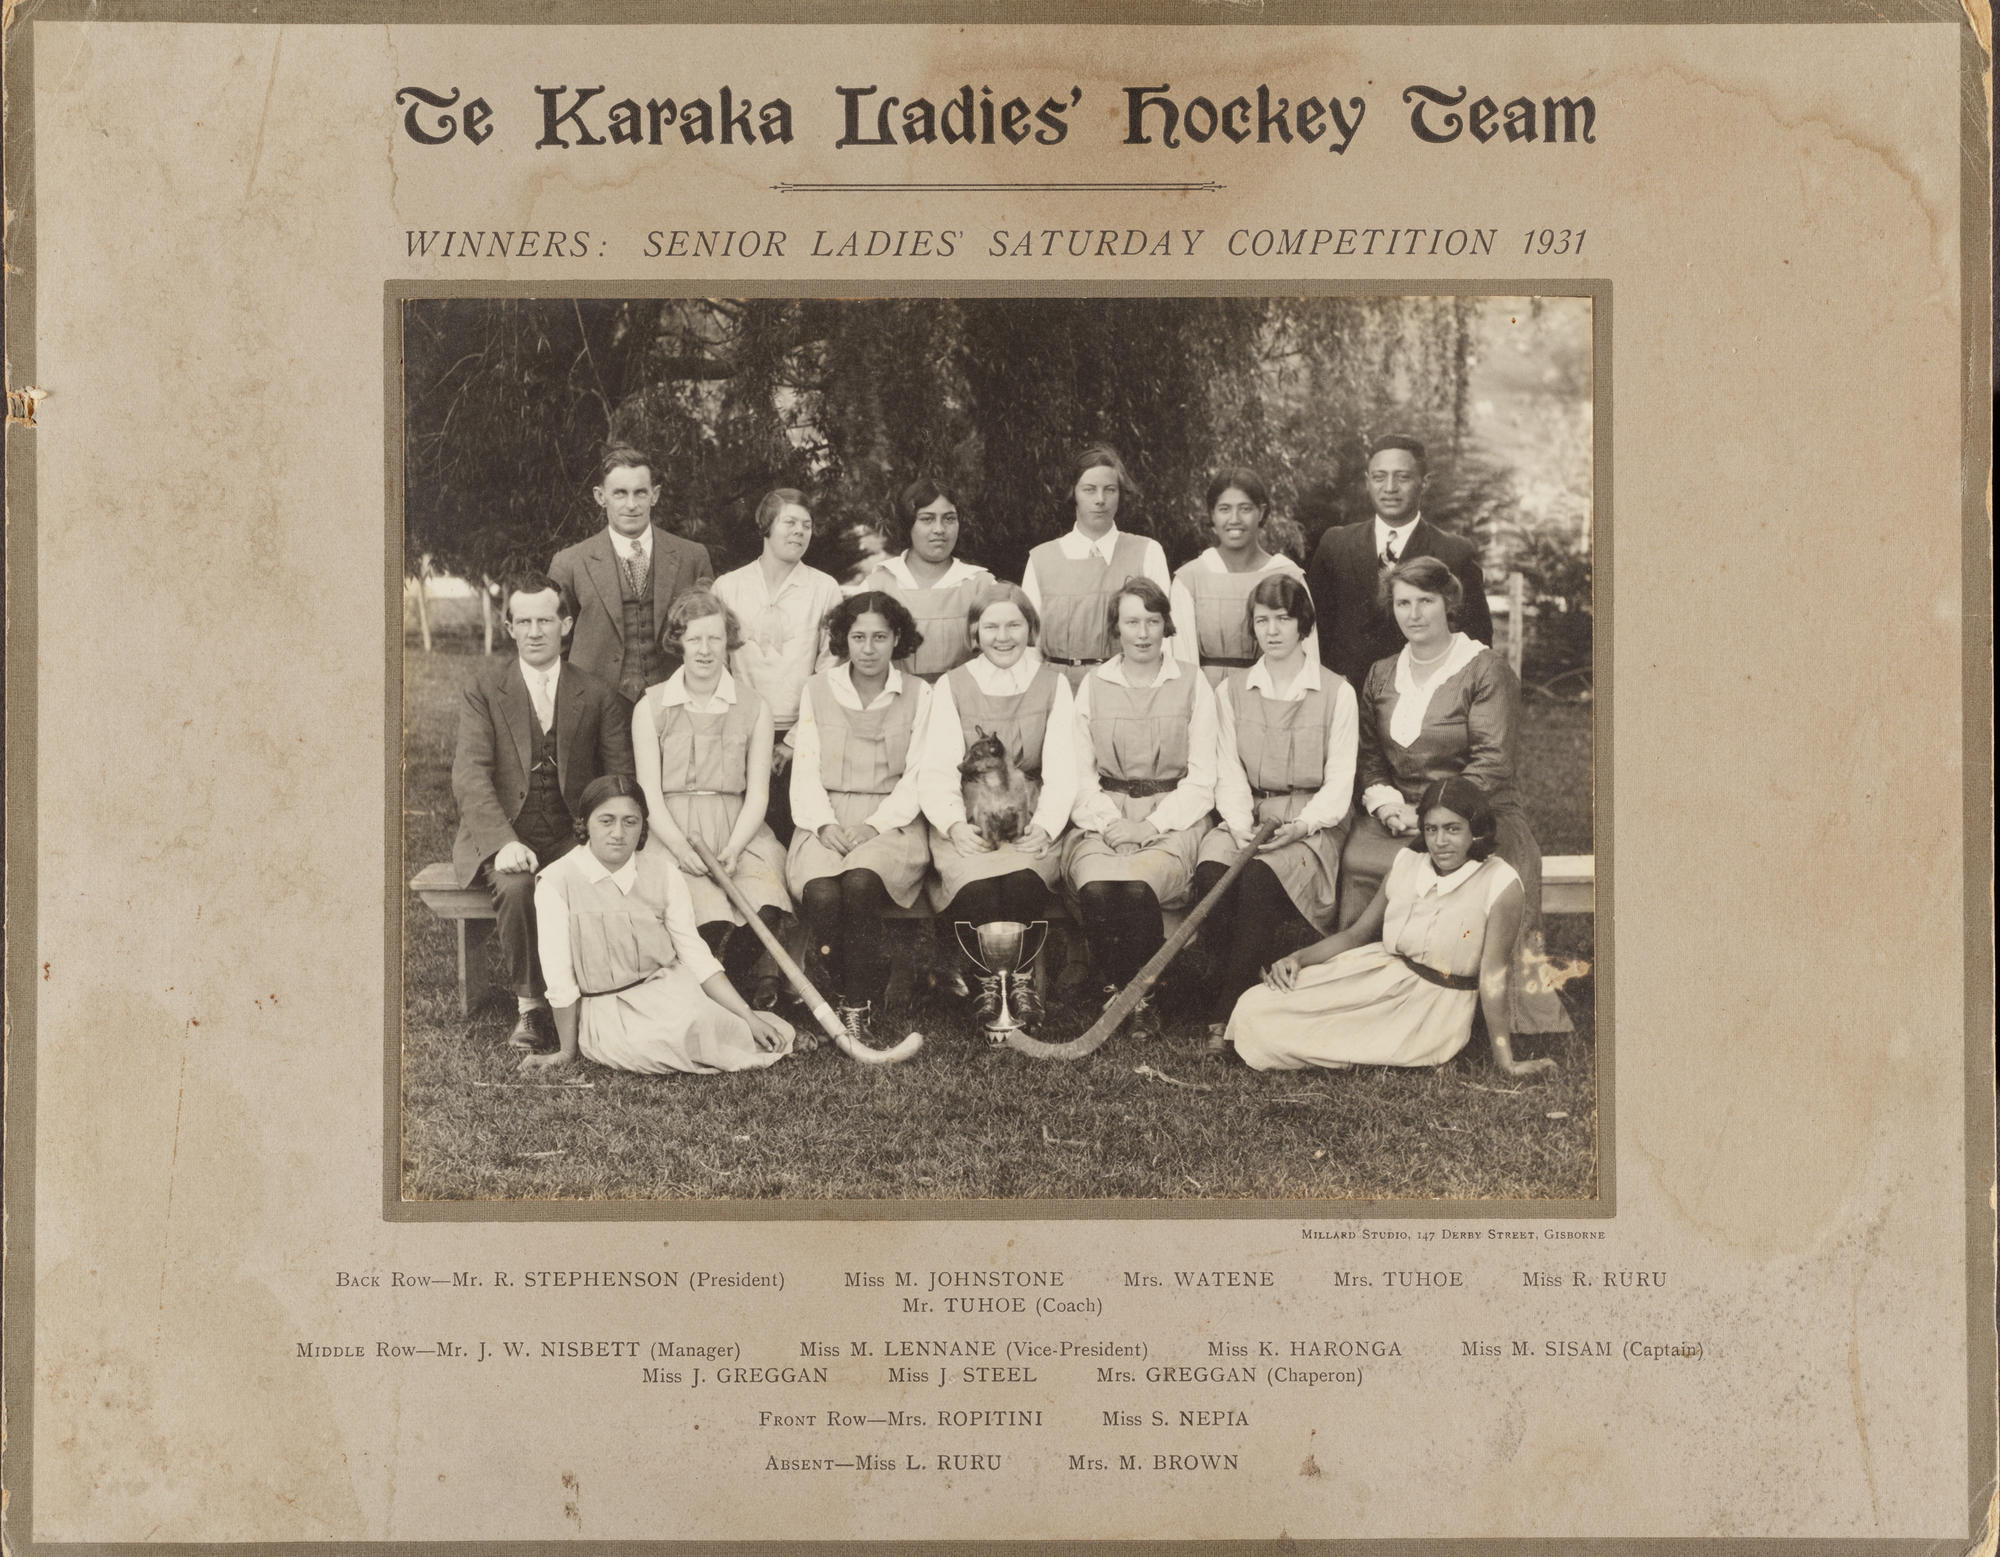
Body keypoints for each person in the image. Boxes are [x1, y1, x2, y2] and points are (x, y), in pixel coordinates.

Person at [1340, 556, 1570, 1033]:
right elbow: (1370, 755)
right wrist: (1387, 803)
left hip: (1478, 813)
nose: (1414, 614)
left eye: (1425, 601)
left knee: (1472, 867)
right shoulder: (1381, 673)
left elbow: (1492, 762)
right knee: (1360, 858)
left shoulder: (1484, 669)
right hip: (1398, 814)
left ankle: (1467, 1004)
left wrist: (1425, 815)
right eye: (1403, 603)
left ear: (1448, 603)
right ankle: (1373, 995)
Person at [1226, 777, 1557, 1079]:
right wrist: (1297, 958)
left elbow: (1493, 976)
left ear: (1476, 830)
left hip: (1429, 1009)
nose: (1440, 841)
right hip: (1378, 974)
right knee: (1253, 1006)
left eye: (1453, 829)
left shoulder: (1500, 882)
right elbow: (1356, 934)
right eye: (1431, 829)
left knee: (1288, 1032)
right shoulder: (1408, 862)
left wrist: (1506, 1061)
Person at [449, 573, 635, 1051]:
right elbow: (470, 776)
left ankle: (597, 995)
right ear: (509, 628)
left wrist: (600, 839)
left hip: (574, 833)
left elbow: (618, 777)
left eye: (546, 621)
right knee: (517, 887)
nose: (535, 632)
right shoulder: (484, 689)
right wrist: (503, 842)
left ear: (565, 625)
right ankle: (531, 1008)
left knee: (599, 881)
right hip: (509, 831)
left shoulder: (596, 693)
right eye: (524, 622)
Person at [520, 775, 797, 1075]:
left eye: (630, 822)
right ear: (585, 823)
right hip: (608, 1008)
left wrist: (748, 1018)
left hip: (668, 990)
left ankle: (740, 1023)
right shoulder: (557, 882)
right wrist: (566, 1051)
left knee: (707, 1024)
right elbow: (559, 977)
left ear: (643, 826)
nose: (618, 833)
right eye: (606, 821)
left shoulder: (663, 873)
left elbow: (694, 954)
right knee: (653, 1046)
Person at [1192, 573, 1359, 1053]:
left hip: (1313, 820)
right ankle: (1243, 983)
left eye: (1283, 619)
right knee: (1211, 873)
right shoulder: (1231, 690)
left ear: (1302, 624)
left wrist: (1302, 825)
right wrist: (1240, 827)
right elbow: (1228, 768)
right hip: (1249, 812)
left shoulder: (1336, 691)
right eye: (1262, 620)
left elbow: (1339, 782)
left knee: (1259, 879)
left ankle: (1226, 1013)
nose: (1272, 630)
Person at [1062, 577, 1217, 1038]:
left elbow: (1203, 778)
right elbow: (1079, 774)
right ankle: (1118, 987)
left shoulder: (1192, 681)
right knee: (1096, 888)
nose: (1143, 633)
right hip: (1104, 814)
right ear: (1117, 628)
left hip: (1174, 814)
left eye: (1152, 621)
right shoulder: (1094, 684)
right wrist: (1112, 823)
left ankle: (1144, 995)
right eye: (1132, 622)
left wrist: (1150, 826)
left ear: (1166, 625)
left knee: (1136, 888)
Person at [917, 581, 1079, 1017]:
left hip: (1029, 815)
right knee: (980, 887)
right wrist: (954, 826)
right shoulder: (952, 685)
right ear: (975, 632)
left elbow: (1065, 768)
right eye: (991, 627)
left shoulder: (1054, 684)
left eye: (1014, 625)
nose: (1003, 637)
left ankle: (1020, 984)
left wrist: (1045, 827)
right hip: (970, 817)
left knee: (1023, 881)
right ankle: (987, 986)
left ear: (1031, 628)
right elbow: (936, 770)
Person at [632, 589, 793, 1008]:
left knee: (765, 907)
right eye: (695, 639)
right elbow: (649, 794)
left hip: (738, 829)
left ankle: (732, 993)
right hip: (673, 831)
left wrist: (735, 848)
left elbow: (758, 792)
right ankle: (700, 999)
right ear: (678, 642)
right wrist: (681, 849)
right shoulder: (652, 706)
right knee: (699, 916)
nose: (705, 650)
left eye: (715, 639)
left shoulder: (754, 707)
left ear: (729, 642)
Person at [786, 591, 934, 1044]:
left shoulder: (920, 693)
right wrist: (823, 824)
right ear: (843, 639)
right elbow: (805, 767)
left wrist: (874, 826)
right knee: (822, 894)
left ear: (897, 639)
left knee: (860, 883)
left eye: (880, 637)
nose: (868, 649)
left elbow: (919, 775)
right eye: (858, 637)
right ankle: (844, 986)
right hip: (826, 815)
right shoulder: (817, 689)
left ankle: (857, 1007)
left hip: (892, 821)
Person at [1305, 434, 1493, 692]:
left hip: (1421, 698)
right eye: (1379, 477)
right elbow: (1311, 631)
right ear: (1367, 481)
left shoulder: (1453, 552)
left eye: (1402, 477)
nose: (1390, 487)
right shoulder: (1336, 544)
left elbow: (1477, 643)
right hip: (1342, 697)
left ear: (1424, 482)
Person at [711, 487, 844, 842]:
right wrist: (740, 731)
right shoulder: (728, 587)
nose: (800, 531)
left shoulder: (824, 588)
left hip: (804, 732)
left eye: (807, 525)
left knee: (797, 830)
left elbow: (829, 669)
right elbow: (718, 665)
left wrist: (794, 741)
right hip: (740, 730)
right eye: (790, 522)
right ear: (766, 526)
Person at [549, 444, 716, 704]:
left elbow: (711, 634)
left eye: (640, 493)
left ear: (654, 495)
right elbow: (555, 644)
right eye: (620, 493)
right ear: (600, 497)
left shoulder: (692, 557)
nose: (631, 504)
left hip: (674, 701)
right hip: (596, 707)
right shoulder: (569, 563)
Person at [1021, 443, 1170, 687]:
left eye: (1110, 490)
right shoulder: (1041, 559)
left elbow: (1164, 637)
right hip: (1058, 690)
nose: (1100, 500)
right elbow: (1029, 646)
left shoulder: (1147, 552)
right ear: (1073, 493)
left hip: (1127, 686)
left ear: (1120, 494)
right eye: (1089, 490)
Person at [1169, 467, 1316, 683]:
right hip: (1206, 696)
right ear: (1212, 514)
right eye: (1224, 509)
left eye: (1245, 508)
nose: (1234, 519)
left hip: (1274, 695)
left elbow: (1308, 659)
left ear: (1261, 512)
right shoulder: (1189, 580)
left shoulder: (1288, 575)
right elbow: (1182, 666)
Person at [862, 477, 991, 681]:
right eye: (927, 519)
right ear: (908, 524)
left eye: (949, 519)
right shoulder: (877, 586)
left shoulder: (981, 586)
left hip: (963, 698)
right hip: (895, 697)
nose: (939, 529)